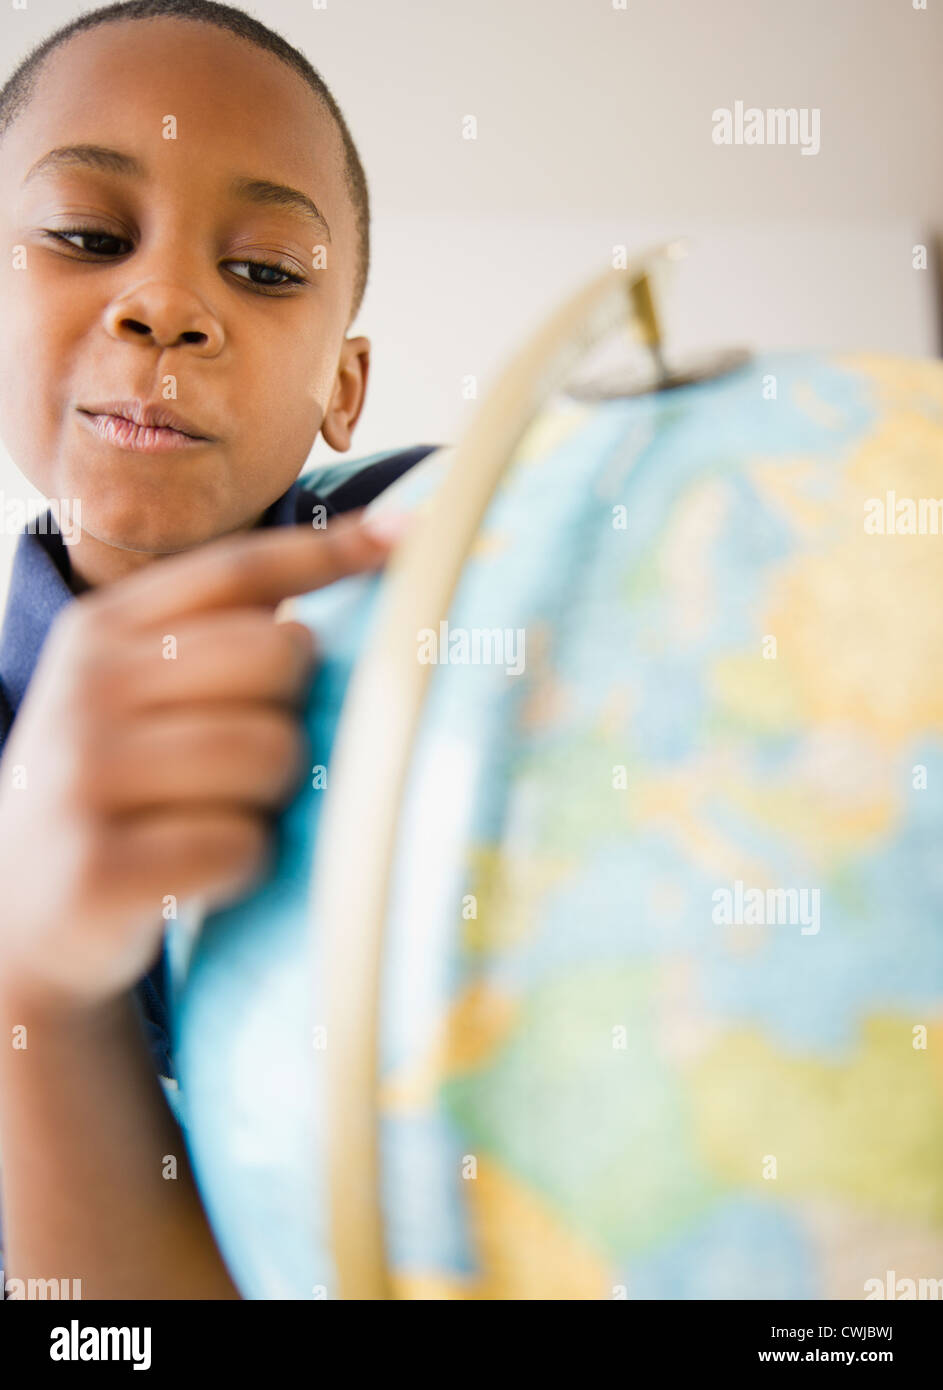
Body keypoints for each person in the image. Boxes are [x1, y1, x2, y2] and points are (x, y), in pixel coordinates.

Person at [0, 0, 438, 1297]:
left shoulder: (452, 555)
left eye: (266, 270)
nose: (167, 304)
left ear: (342, 388)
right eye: (86, 235)